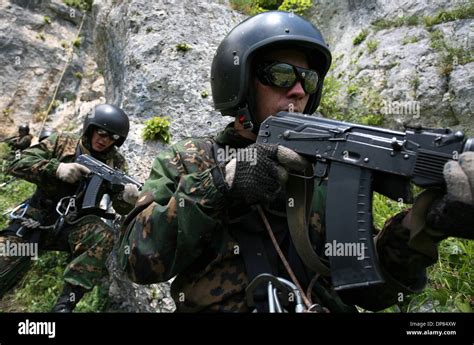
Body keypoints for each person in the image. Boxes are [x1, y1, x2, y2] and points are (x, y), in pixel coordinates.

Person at [119, 11, 473, 312]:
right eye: (282, 75)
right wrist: (220, 186)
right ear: (239, 83)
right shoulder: (191, 159)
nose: (299, 90)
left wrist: (422, 224)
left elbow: (369, 290)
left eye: (308, 79)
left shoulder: (329, 171)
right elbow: (135, 259)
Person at [0, 104, 140, 312]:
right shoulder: (62, 143)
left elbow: (119, 206)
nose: (104, 140)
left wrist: (127, 199)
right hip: (33, 224)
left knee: (102, 234)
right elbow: (17, 164)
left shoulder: (115, 162)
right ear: (90, 128)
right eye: (101, 133)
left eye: (112, 138)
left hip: (70, 229)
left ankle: (66, 305)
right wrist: (55, 168)